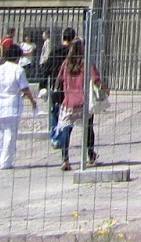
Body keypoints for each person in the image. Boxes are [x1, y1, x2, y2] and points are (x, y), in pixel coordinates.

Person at [0, 42, 38, 170]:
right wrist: (32, 101)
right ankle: (6, 162)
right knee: (10, 134)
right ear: (18, 57)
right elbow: (25, 88)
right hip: (12, 105)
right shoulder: (18, 70)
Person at [53, 39, 106, 171]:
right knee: (88, 128)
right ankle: (90, 154)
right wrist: (104, 89)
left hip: (68, 102)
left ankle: (65, 159)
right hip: (84, 102)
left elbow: (58, 81)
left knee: (66, 129)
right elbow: (96, 80)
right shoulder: (87, 63)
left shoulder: (66, 64)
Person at [41, 27, 77, 144]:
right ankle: (63, 138)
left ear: (63, 38)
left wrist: (43, 85)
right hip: (70, 89)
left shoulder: (55, 52)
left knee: (55, 113)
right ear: (73, 39)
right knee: (67, 115)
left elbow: (46, 69)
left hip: (56, 87)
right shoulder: (74, 53)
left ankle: (55, 138)